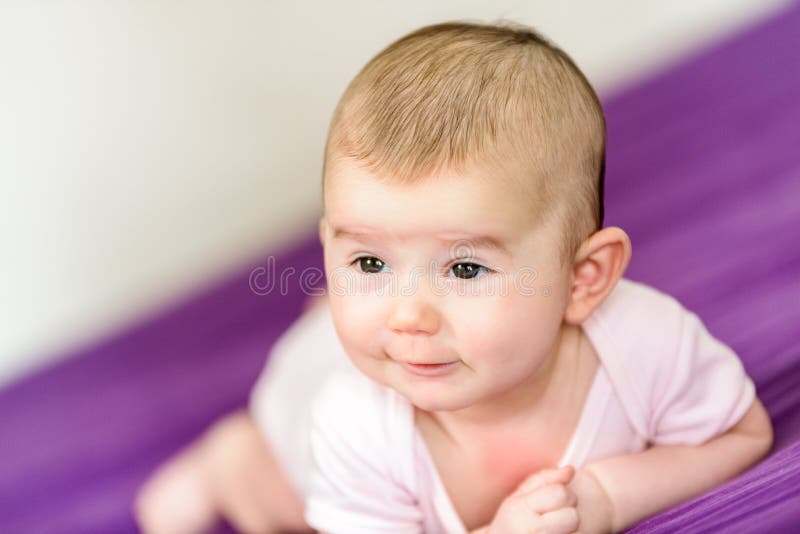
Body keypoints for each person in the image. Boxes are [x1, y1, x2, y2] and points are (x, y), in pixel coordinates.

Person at [134, 20, 774, 534]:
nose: (410, 313)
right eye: (368, 261)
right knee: (283, 505)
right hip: (312, 389)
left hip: (366, 345)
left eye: (465, 268)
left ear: (583, 279)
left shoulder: (643, 343)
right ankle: (225, 459)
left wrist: (608, 497)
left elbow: (740, 434)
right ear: (329, 246)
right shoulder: (355, 424)